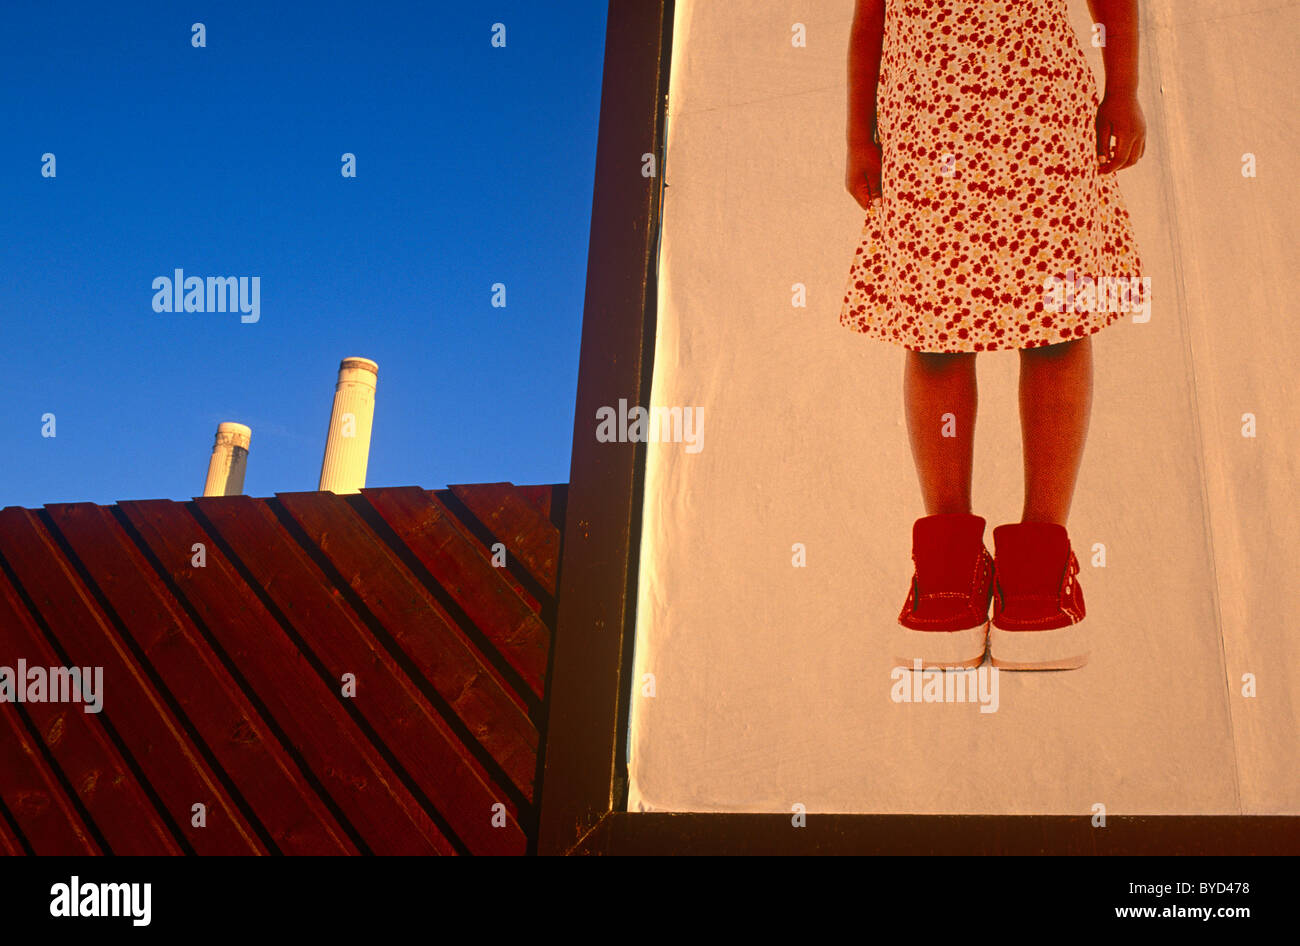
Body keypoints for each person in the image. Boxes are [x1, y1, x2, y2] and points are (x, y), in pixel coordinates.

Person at [840, 0, 1146, 670]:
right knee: (934, 329)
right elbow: (871, 22)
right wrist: (857, 134)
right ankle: (948, 570)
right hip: (926, 123)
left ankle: (1038, 567)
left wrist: (1121, 89)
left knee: (1057, 323)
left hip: (1041, 110)